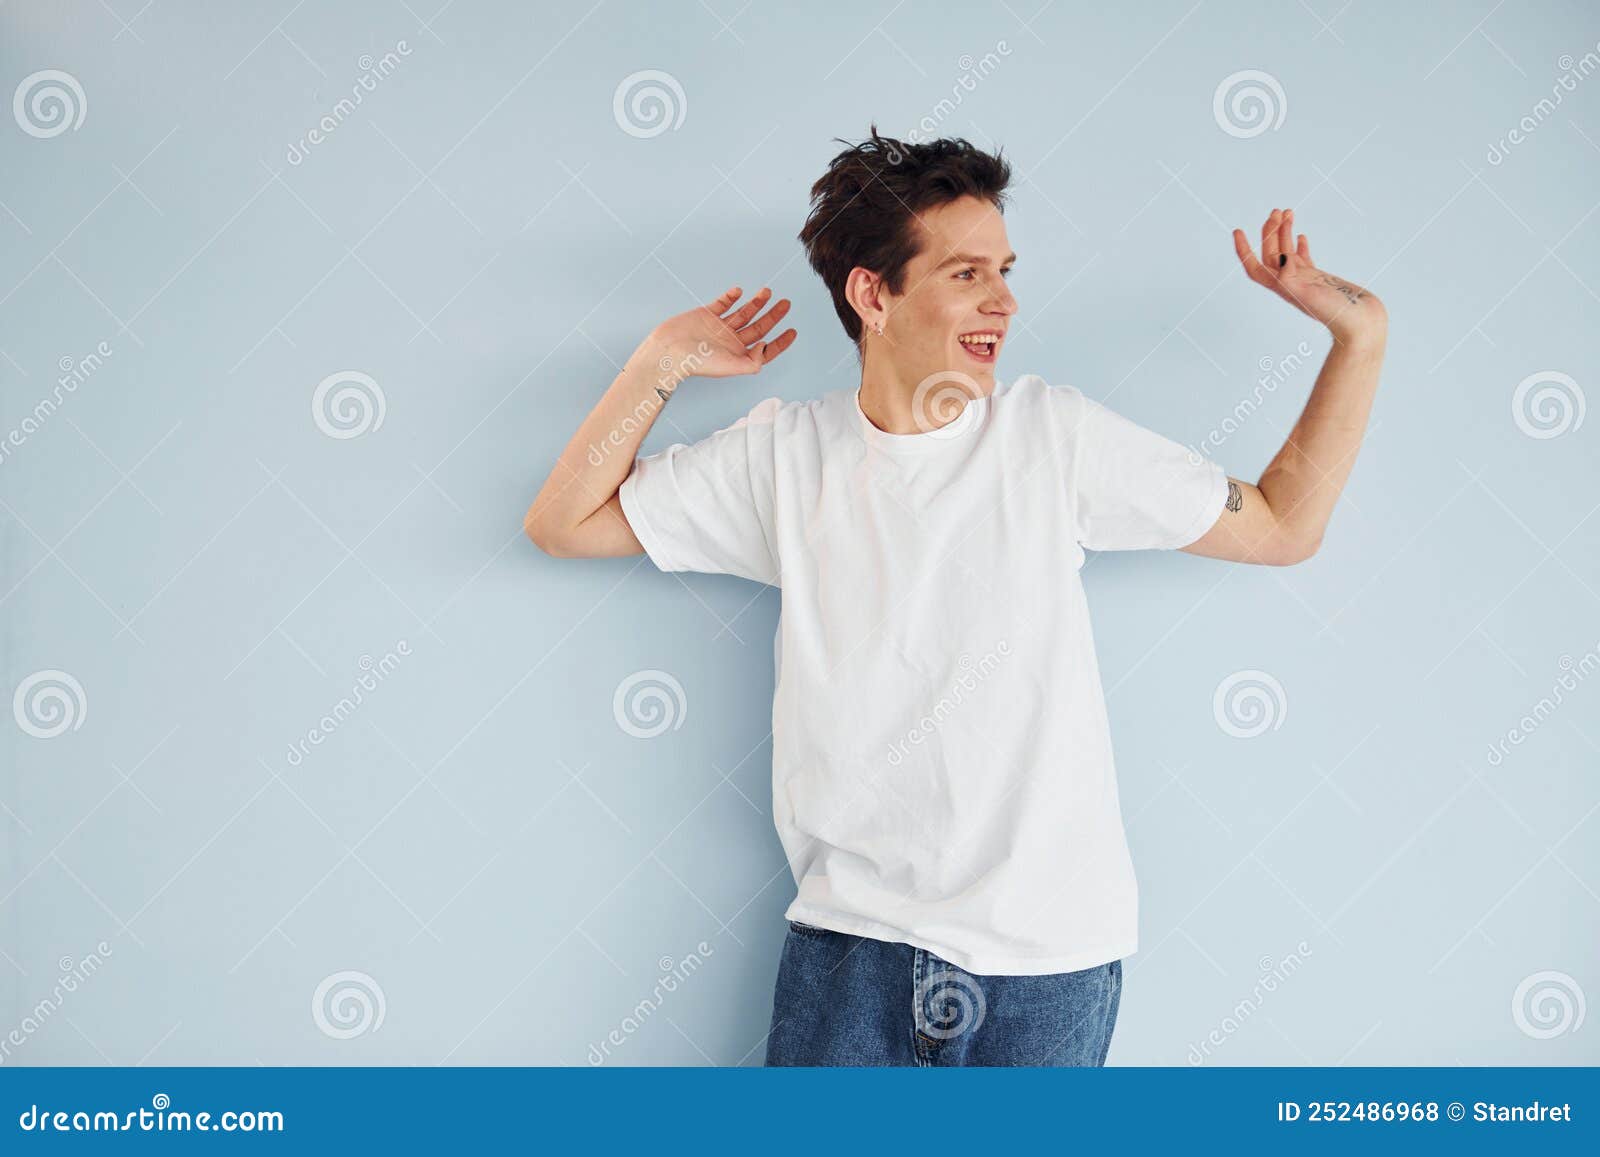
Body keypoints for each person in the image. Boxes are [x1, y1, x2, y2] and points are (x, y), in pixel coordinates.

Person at [523, 126, 1387, 1067]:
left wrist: (1360, 333)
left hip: (1048, 964)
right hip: (853, 953)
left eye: (1005, 271)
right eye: (968, 273)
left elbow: (1279, 524)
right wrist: (659, 365)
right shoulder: (781, 459)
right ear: (873, 292)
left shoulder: (1053, 438)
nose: (1004, 302)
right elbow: (565, 522)